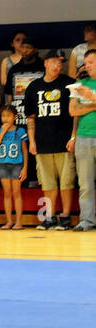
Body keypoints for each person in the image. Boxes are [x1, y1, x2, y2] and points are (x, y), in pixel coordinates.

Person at [25, 50, 75, 229]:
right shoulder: (33, 87)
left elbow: (75, 115)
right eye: (54, 61)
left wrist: (74, 137)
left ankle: (66, 216)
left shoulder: (70, 84)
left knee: (66, 181)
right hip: (42, 142)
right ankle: (49, 217)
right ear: (45, 63)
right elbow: (30, 117)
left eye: (61, 62)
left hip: (64, 142)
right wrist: (32, 141)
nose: (58, 66)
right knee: (47, 183)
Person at [69, 49, 96, 230]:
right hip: (84, 137)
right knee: (85, 183)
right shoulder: (80, 85)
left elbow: (81, 107)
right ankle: (87, 220)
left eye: (92, 62)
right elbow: (73, 111)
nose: (88, 65)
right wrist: (93, 105)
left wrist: (90, 98)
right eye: (86, 62)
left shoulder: (86, 90)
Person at [0, 106, 28, 229]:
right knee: (7, 193)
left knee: (16, 192)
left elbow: (24, 150)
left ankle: (19, 221)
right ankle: (8, 221)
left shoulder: (20, 131)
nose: (5, 118)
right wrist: (2, 132)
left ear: (15, 117)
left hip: (17, 164)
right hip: (3, 165)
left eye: (8, 116)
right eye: (3, 116)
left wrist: (25, 168)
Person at [4, 37, 43, 118]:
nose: (24, 50)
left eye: (28, 47)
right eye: (23, 47)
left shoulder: (43, 67)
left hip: (39, 110)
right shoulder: (14, 69)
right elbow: (9, 93)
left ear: (35, 50)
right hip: (19, 112)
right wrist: (10, 111)